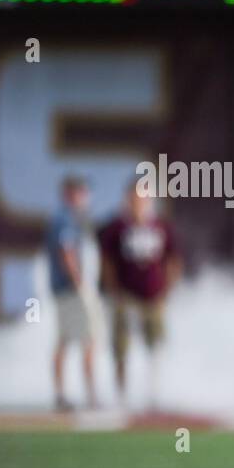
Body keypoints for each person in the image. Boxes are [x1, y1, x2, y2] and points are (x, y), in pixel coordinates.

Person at [98, 179, 181, 406]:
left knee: (155, 345)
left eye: (143, 197)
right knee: (121, 347)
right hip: (126, 295)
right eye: (135, 197)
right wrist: (113, 290)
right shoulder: (116, 227)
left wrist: (167, 289)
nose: (139, 202)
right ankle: (121, 394)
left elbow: (173, 260)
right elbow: (107, 262)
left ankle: (153, 393)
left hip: (153, 295)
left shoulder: (161, 226)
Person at [47, 175, 98, 411]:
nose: (85, 198)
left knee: (65, 340)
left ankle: (61, 394)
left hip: (63, 289)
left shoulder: (64, 218)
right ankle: (90, 396)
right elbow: (66, 252)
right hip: (70, 290)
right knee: (88, 339)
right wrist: (81, 285)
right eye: (81, 192)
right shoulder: (66, 219)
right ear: (70, 194)